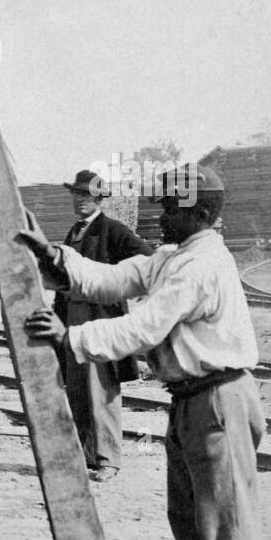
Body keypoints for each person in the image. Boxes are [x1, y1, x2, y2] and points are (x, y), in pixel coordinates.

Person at [19, 164, 267, 540]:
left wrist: (74, 337)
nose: (159, 217)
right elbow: (112, 280)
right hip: (193, 400)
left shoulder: (200, 267)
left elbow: (143, 328)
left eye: (169, 209)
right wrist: (57, 258)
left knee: (224, 521)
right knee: (190, 520)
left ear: (199, 213)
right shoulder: (174, 258)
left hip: (219, 399)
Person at [55, 170, 153, 481]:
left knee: (102, 391)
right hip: (72, 319)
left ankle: (108, 459)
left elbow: (146, 259)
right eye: (77, 193)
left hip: (101, 321)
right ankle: (85, 458)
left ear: (100, 199)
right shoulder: (75, 233)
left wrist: (117, 284)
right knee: (78, 391)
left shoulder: (112, 230)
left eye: (88, 194)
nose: (81, 199)